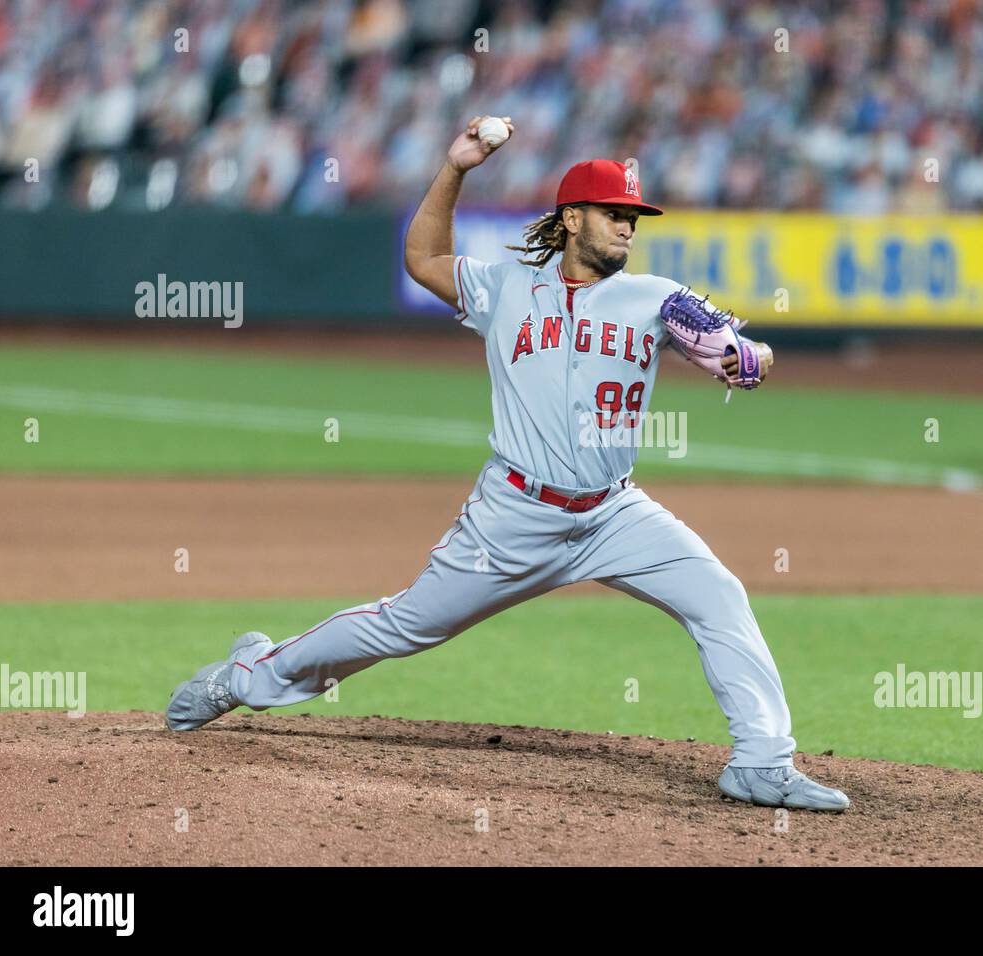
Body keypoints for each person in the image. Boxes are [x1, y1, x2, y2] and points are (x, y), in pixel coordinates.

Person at [165, 116, 851, 812]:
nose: (627, 227)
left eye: (634, 217)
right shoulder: (506, 288)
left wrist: (748, 357)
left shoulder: (657, 299)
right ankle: (250, 676)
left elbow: (745, 351)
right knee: (405, 625)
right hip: (513, 516)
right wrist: (456, 168)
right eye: (614, 214)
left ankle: (762, 762)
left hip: (616, 513)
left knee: (719, 596)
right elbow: (423, 259)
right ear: (572, 217)